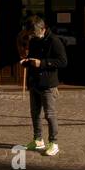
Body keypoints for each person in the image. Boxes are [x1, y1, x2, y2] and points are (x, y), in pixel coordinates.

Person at [21, 17, 67, 156]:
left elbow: (63, 61)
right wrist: (27, 62)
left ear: (43, 29)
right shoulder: (34, 40)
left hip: (48, 85)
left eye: (34, 33)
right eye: (31, 34)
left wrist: (42, 63)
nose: (33, 36)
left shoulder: (54, 41)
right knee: (35, 114)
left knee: (50, 115)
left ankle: (54, 143)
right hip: (35, 83)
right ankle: (38, 140)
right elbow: (34, 58)